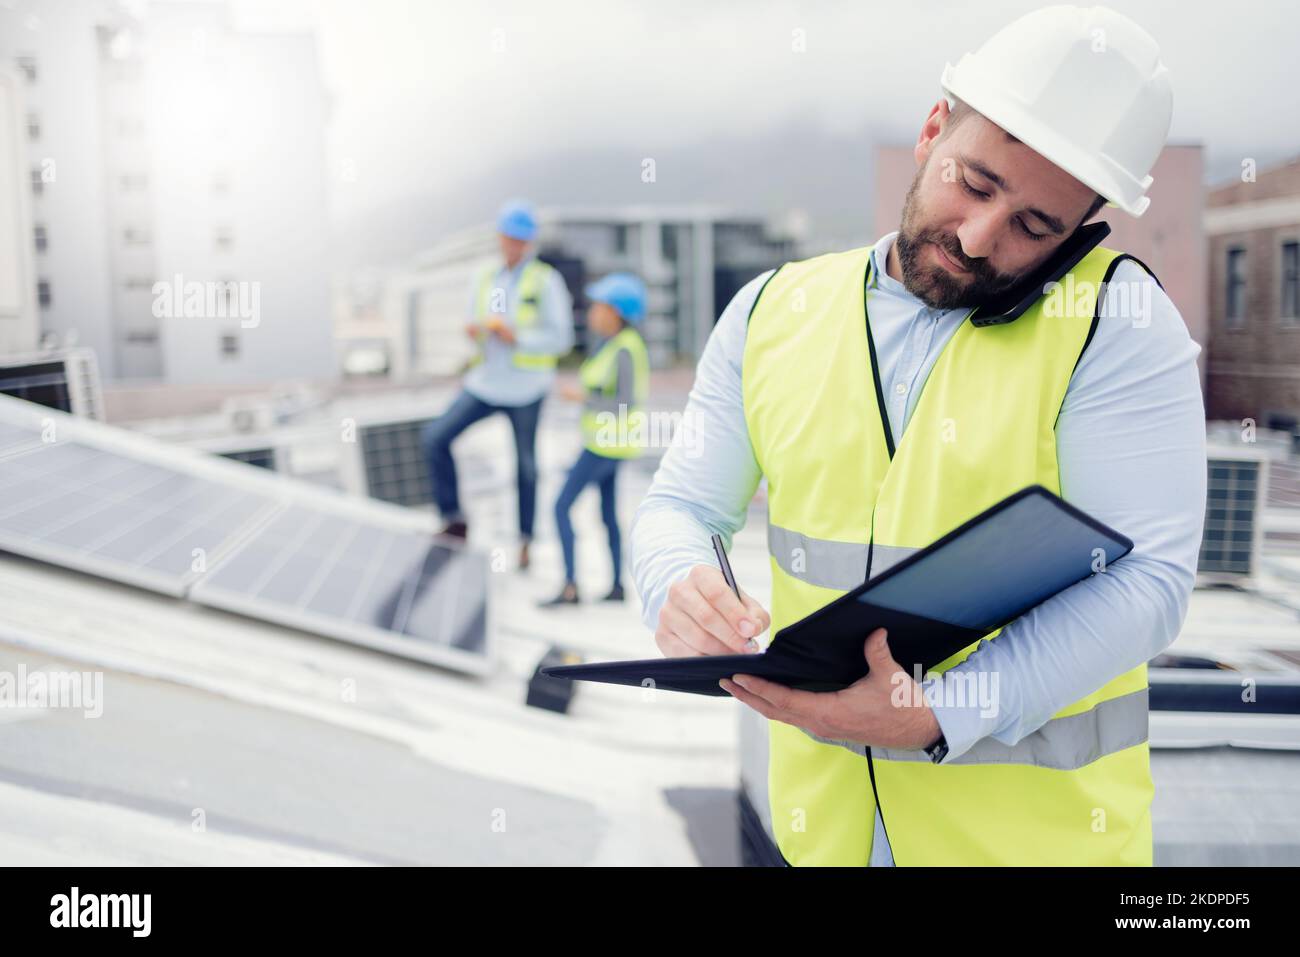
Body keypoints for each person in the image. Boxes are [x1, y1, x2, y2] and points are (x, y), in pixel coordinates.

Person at [630, 6, 1206, 866]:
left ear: (1085, 223)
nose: (980, 239)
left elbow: (1148, 581)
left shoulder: (1117, 325)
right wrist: (676, 582)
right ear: (933, 130)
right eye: (974, 185)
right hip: (823, 835)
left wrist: (946, 706)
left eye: (1035, 227)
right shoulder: (769, 312)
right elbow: (680, 504)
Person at [421, 200, 574, 570]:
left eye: (520, 240)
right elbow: (475, 321)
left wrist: (516, 337)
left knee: (525, 467)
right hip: (486, 383)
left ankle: (524, 541)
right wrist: (475, 330)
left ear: (529, 243)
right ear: (500, 237)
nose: (513, 246)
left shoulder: (546, 281)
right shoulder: (485, 277)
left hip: (526, 389)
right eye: (508, 238)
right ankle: (453, 519)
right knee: (435, 438)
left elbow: (562, 339)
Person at [540, 273, 650, 607]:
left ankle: (571, 587)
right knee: (607, 514)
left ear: (615, 312)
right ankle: (616, 587)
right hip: (608, 443)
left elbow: (624, 401)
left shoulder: (623, 350)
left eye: (599, 306)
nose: (592, 313)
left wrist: (582, 398)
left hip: (605, 445)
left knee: (560, 506)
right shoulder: (613, 346)